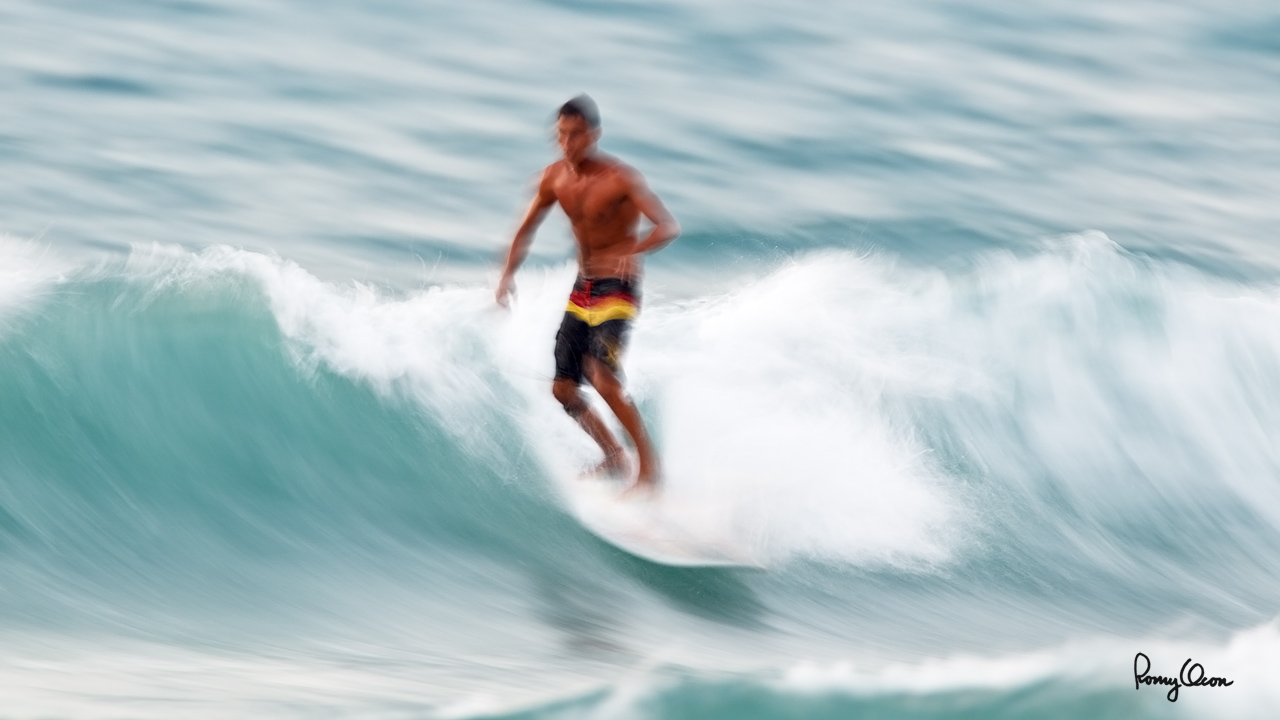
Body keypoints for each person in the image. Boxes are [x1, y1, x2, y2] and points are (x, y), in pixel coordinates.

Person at [496, 94, 680, 492]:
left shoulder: (619, 178)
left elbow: (666, 226)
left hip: (618, 287)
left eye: (576, 135)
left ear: (593, 135)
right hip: (584, 288)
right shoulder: (553, 178)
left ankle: (649, 471)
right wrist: (506, 276)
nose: (568, 143)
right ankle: (613, 456)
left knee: (602, 376)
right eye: (561, 135)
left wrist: (632, 251)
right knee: (563, 388)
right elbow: (524, 230)